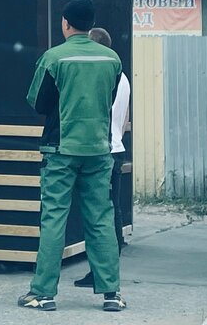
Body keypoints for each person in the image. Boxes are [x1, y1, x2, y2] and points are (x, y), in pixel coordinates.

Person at [18, 0, 126, 313]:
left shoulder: (54, 58)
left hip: (61, 149)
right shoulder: (112, 60)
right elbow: (110, 96)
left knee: (54, 218)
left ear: (65, 23)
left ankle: (43, 292)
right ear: (91, 23)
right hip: (98, 149)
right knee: (101, 219)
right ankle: (111, 293)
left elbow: (37, 101)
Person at [74, 26, 131, 289]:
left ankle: (101, 271)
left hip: (101, 149)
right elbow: (126, 118)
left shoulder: (101, 75)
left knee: (98, 214)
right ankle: (111, 263)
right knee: (112, 209)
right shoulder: (123, 76)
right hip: (117, 147)